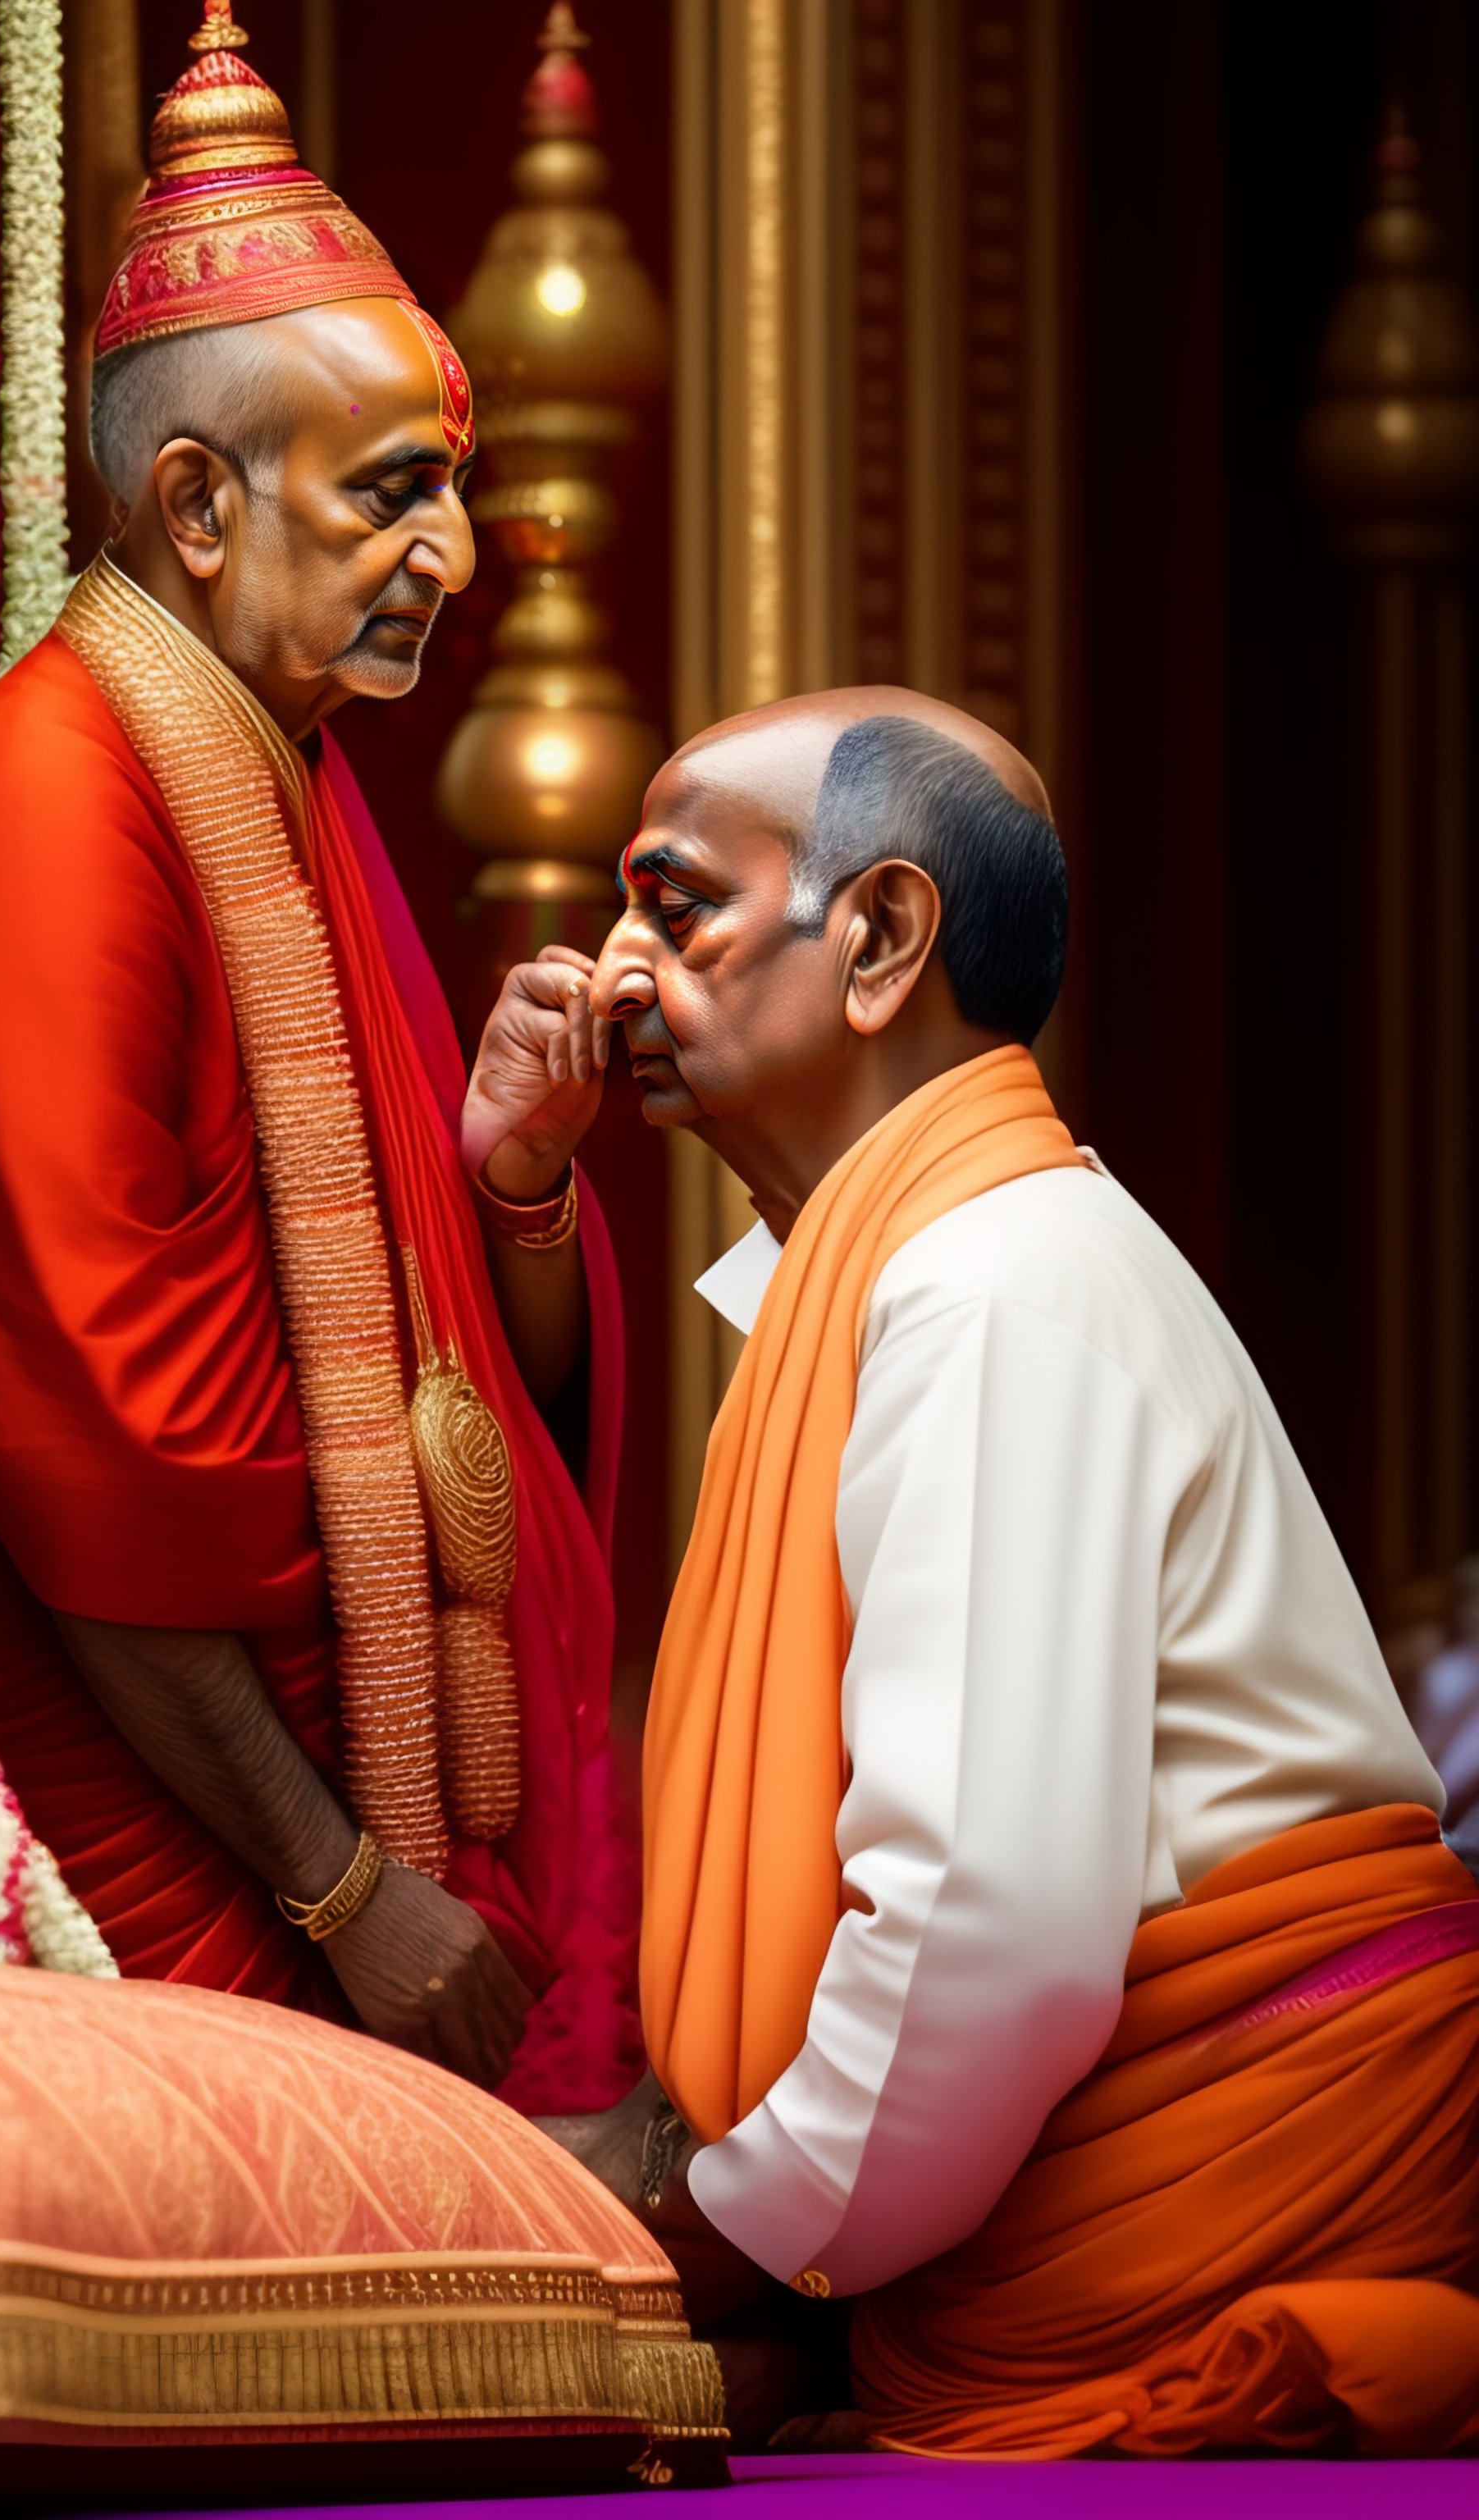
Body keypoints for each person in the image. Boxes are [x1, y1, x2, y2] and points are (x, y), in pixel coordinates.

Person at [0, 2, 637, 2113]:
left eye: (449, 494)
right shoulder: (44, 799)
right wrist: (348, 1888)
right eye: (391, 497)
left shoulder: (269, 771)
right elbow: (96, 1447)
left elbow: (428, 1375)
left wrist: (517, 1197)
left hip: (330, 1831)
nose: (449, 559)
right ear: (194, 501)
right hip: (176, 1847)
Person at [541, 685, 1479, 2456]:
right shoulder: (941, 1271)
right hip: (1071, 2172)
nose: (610, 968)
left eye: (674, 908)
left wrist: (715, 2240)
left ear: (883, 936)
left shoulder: (991, 1290)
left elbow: (990, 1927)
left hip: (1227, 2179)